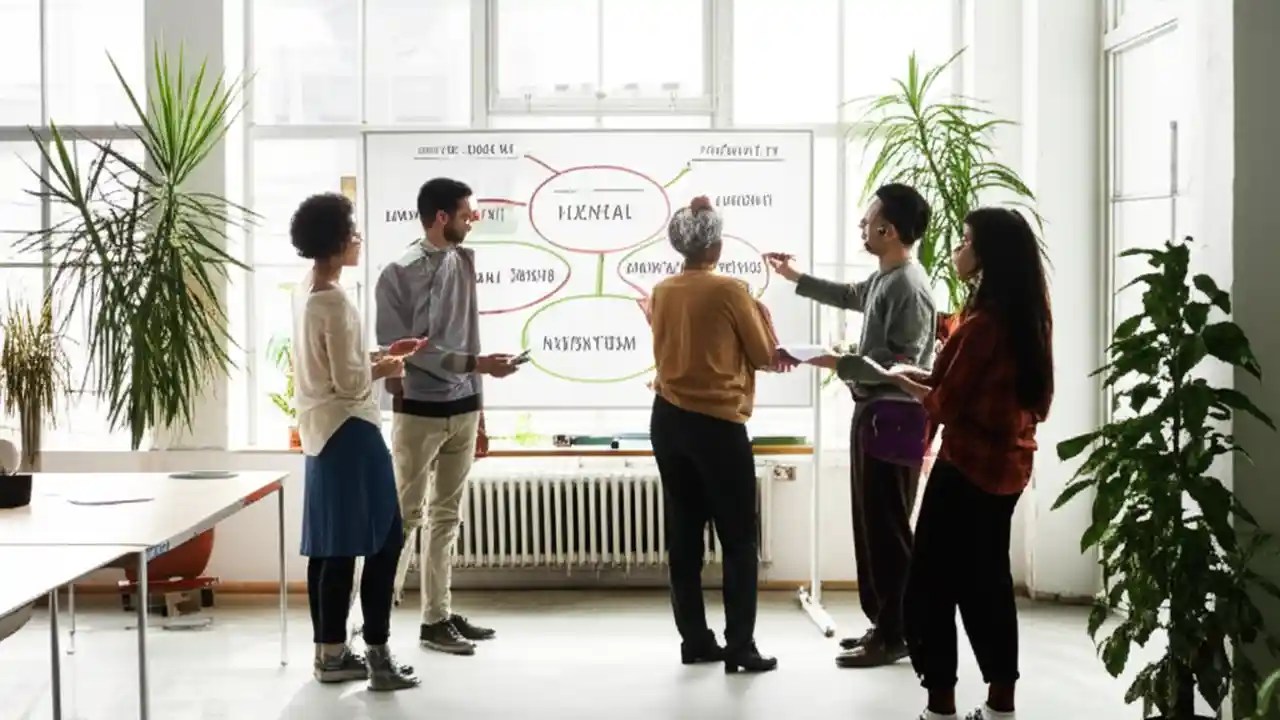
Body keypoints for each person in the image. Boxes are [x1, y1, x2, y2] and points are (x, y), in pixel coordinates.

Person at [887, 208, 1054, 720]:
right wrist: (929, 377)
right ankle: (1001, 704)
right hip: (1007, 471)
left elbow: (945, 403)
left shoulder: (982, 326)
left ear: (987, 256)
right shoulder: (1028, 316)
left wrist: (899, 383)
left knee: (930, 587)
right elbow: (1033, 401)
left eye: (964, 241)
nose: (957, 249)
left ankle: (941, 706)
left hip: (964, 470)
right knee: (989, 585)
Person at [766, 183, 936, 669]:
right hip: (876, 415)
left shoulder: (908, 285)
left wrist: (830, 360)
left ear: (889, 229)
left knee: (887, 529)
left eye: (868, 222)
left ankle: (897, 631)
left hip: (896, 418)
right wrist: (794, 276)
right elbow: (850, 295)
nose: (863, 228)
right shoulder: (887, 278)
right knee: (872, 525)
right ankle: (885, 624)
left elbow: (897, 366)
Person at [648, 195, 793, 674]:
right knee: (737, 538)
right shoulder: (731, 289)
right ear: (716, 243)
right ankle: (741, 647)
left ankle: (695, 640)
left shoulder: (664, 289)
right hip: (717, 423)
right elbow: (763, 355)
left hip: (667, 418)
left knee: (685, 534)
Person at [375, 177, 520, 656]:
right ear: (441, 217)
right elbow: (408, 355)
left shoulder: (465, 260)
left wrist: (479, 411)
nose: (473, 219)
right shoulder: (397, 273)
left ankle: (436, 615)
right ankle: (372, 622)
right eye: (467, 213)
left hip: (462, 408)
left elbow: (471, 337)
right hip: (418, 410)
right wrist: (479, 368)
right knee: (404, 518)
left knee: (447, 518)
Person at [290, 192, 419, 691]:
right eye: (354, 232)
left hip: (320, 434)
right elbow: (350, 383)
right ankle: (379, 656)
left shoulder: (307, 291)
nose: (359, 240)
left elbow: (330, 364)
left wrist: (379, 352)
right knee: (386, 541)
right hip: (353, 433)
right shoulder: (338, 301)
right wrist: (388, 366)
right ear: (340, 240)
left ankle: (330, 655)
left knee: (331, 548)